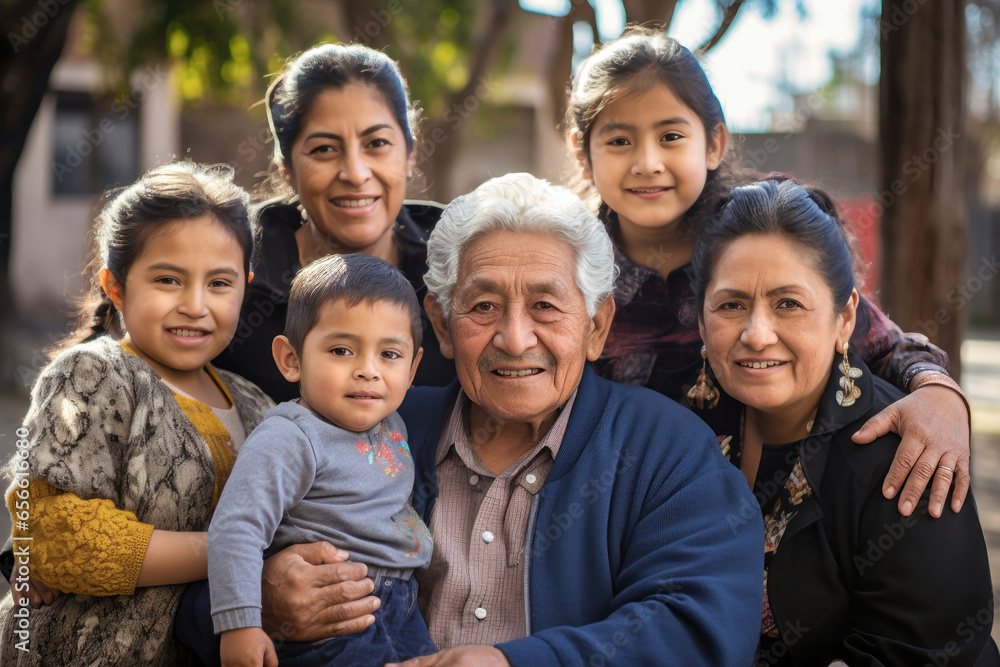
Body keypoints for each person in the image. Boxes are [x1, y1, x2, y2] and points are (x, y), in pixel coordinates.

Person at [231, 173, 765, 666]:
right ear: (439, 324)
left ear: (597, 326)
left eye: (546, 307)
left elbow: (704, 630)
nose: (514, 338)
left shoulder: (664, 449)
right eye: (483, 306)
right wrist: (263, 595)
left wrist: (514, 663)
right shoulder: (367, 425)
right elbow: (207, 573)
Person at [564, 27, 973, 519]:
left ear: (714, 143)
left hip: (768, 513)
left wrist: (939, 396)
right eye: (619, 140)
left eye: (671, 136)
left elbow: (876, 339)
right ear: (581, 152)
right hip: (610, 512)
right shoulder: (569, 265)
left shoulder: (760, 234)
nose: (647, 162)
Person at [691, 178, 998, 666]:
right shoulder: (683, 431)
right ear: (701, 322)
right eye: (731, 305)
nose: (756, 334)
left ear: (847, 318)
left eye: (788, 303)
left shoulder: (907, 456)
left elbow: (916, 653)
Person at [0, 162, 274, 666]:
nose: (195, 305)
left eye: (219, 283)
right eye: (169, 279)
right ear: (117, 287)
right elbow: (50, 532)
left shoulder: (260, 406)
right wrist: (233, 553)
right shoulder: (91, 373)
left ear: (246, 286)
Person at [189, 254, 435, 667]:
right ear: (291, 359)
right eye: (342, 350)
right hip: (325, 622)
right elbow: (237, 528)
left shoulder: (392, 424)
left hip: (402, 608)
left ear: (413, 369)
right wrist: (241, 624)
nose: (368, 371)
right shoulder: (292, 436)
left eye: (390, 355)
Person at [213, 42, 454, 401]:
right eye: (324, 149)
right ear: (287, 170)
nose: (355, 174)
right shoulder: (231, 269)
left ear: (409, 154)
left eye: (377, 143)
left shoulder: (458, 265)